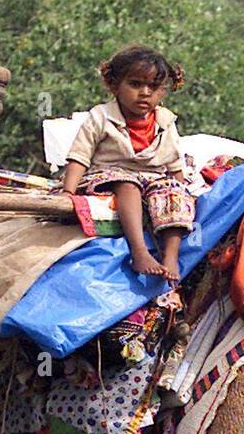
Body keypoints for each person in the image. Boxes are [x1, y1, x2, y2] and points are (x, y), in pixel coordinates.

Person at [62, 44, 194, 283]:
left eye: (153, 87)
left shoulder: (165, 120)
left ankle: (171, 256)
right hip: (109, 176)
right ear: (115, 86)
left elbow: (174, 164)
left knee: (175, 192)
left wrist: (180, 190)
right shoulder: (101, 116)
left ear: (162, 92)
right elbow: (79, 156)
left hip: (152, 179)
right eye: (135, 84)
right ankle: (139, 252)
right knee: (127, 184)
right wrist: (68, 192)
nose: (144, 93)